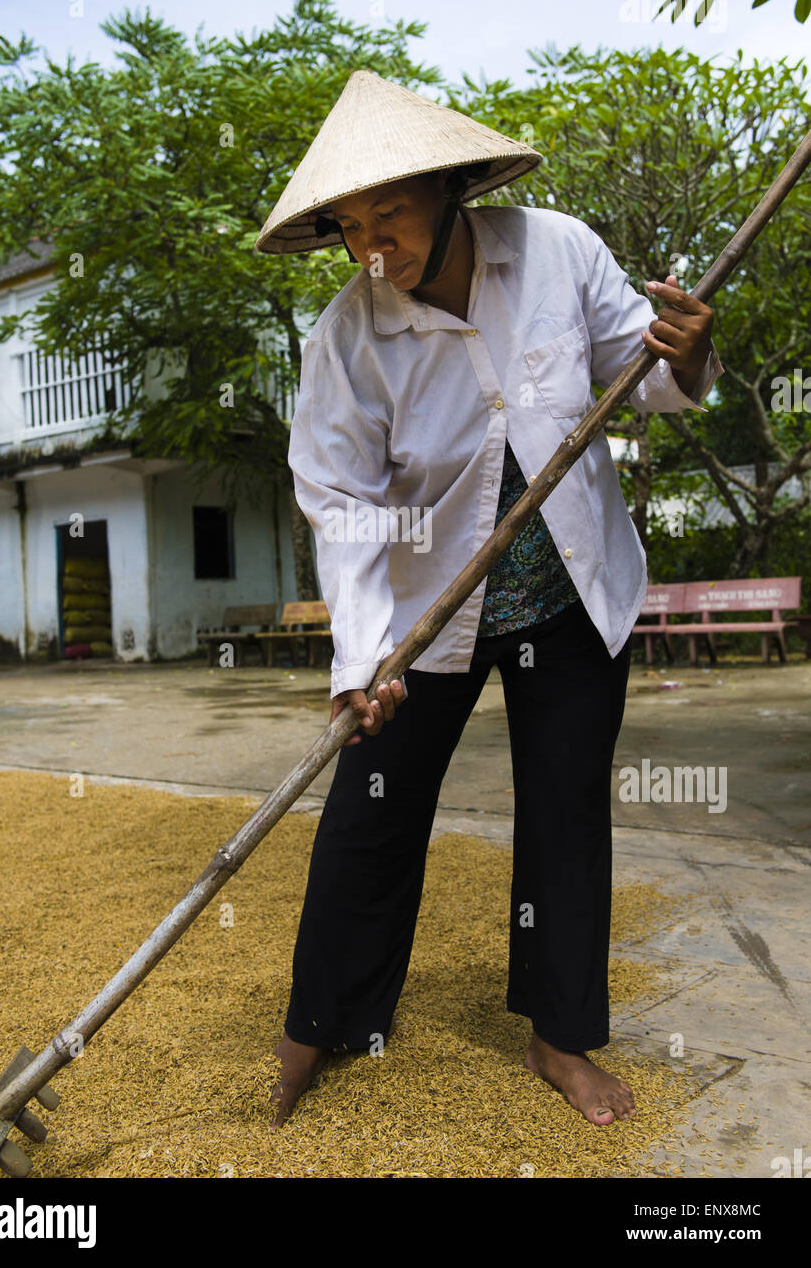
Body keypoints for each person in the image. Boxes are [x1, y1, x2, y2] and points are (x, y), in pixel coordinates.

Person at [255, 70, 720, 1130]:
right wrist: (366, 661)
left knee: (562, 812)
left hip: (568, 594)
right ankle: (322, 1021)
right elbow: (342, 504)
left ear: (448, 188)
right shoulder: (347, 340)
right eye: (348, 227)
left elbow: (632, 374)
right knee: (367, 813)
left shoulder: (555, 252)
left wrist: (684, 355)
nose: (373, 246)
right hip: (428, 613)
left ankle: (558, 1037)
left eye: (391, 214)